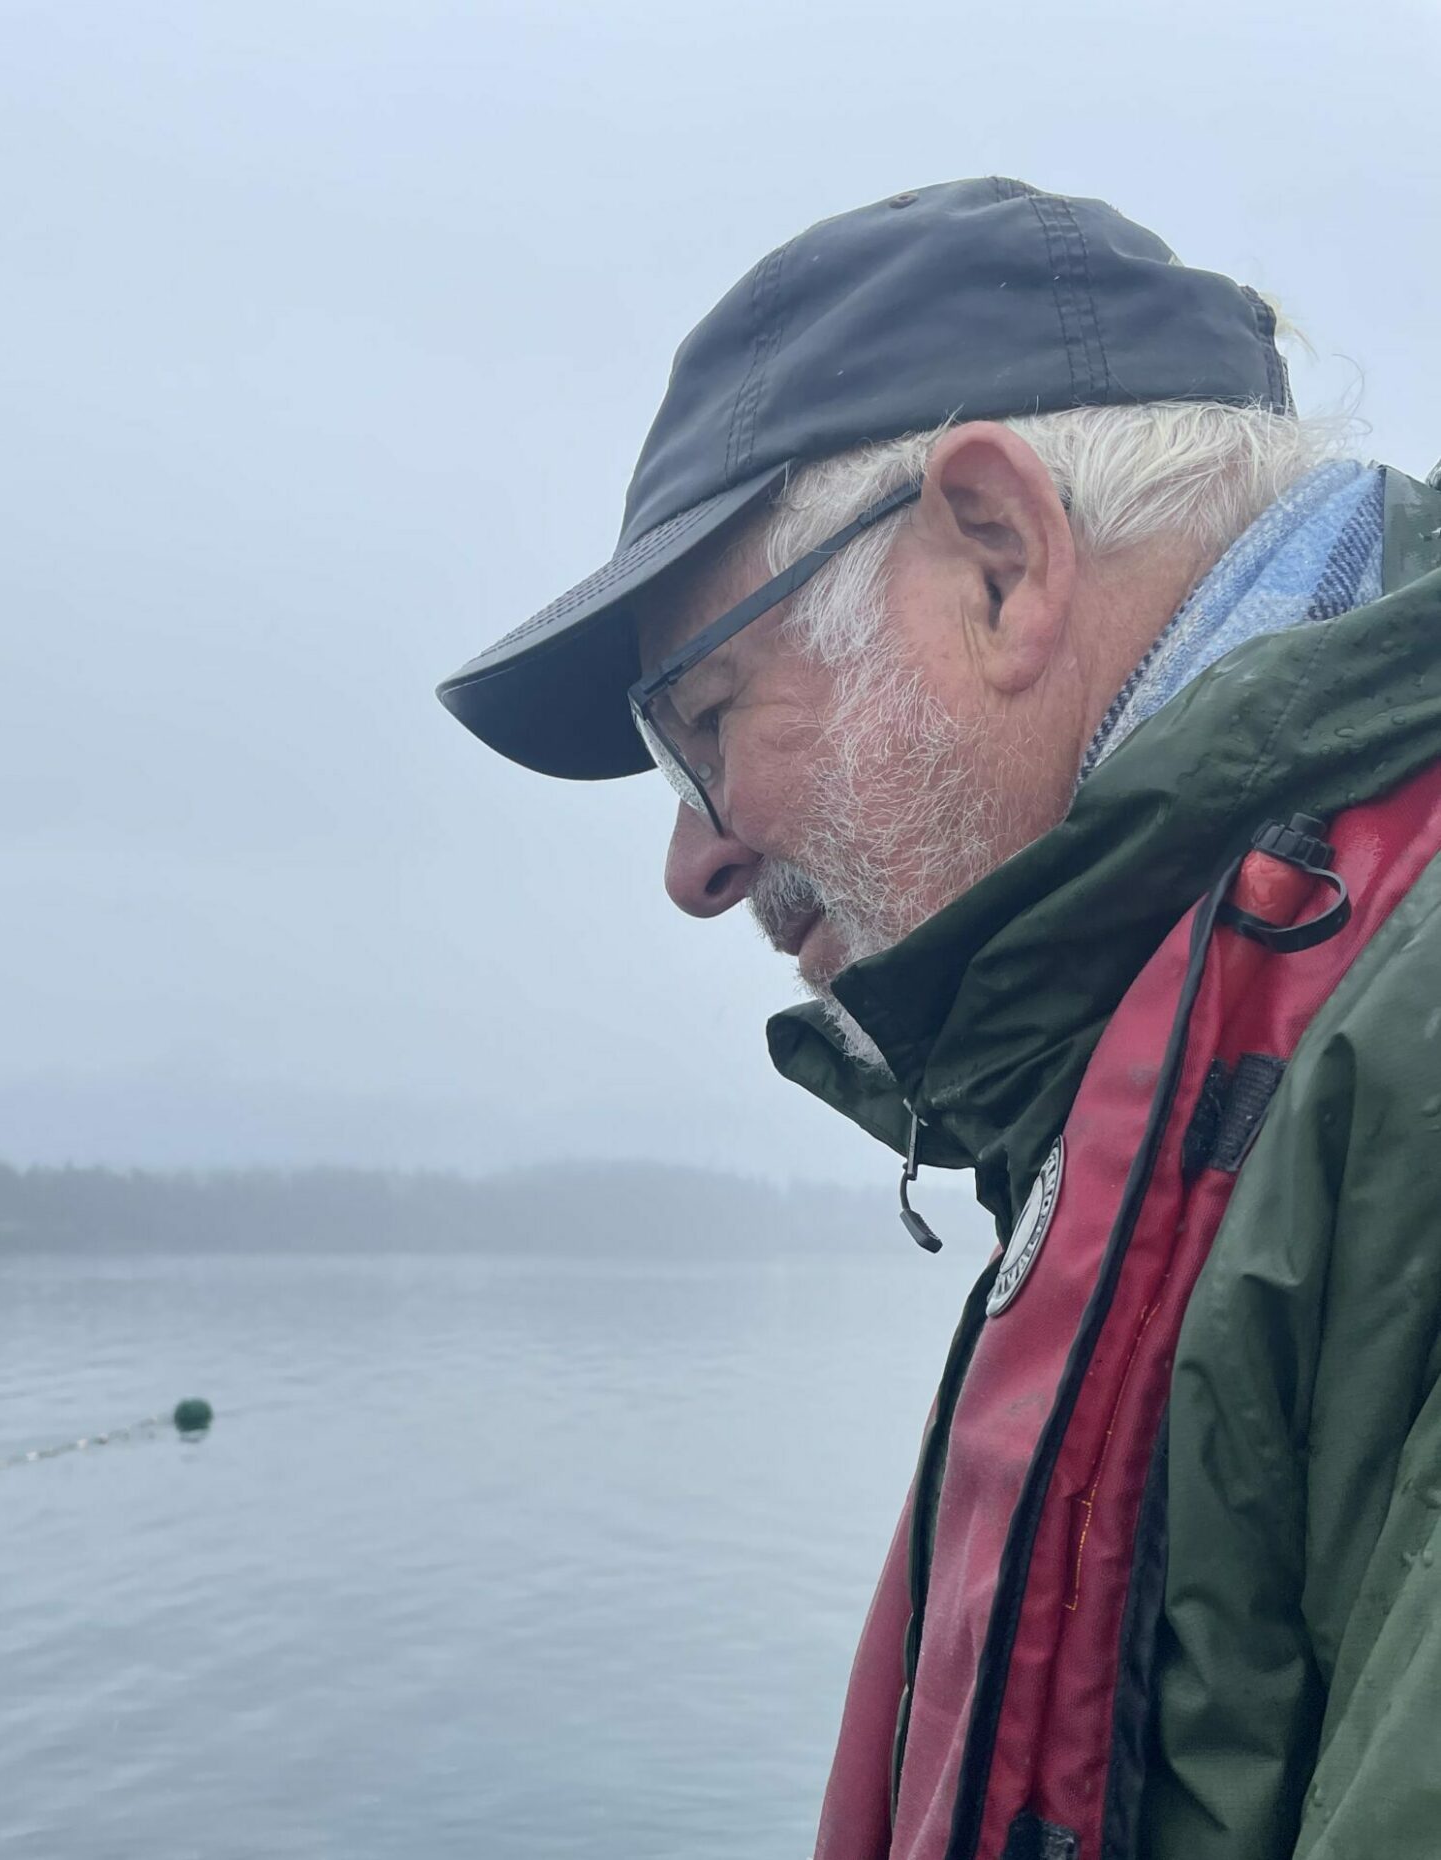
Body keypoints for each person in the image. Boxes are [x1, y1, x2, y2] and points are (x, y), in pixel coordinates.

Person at [436, 178, 1441, 1860]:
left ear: (998, 558)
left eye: (705, 723)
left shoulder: (1389, 1048)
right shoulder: (1189, 1044)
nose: (694, 860)